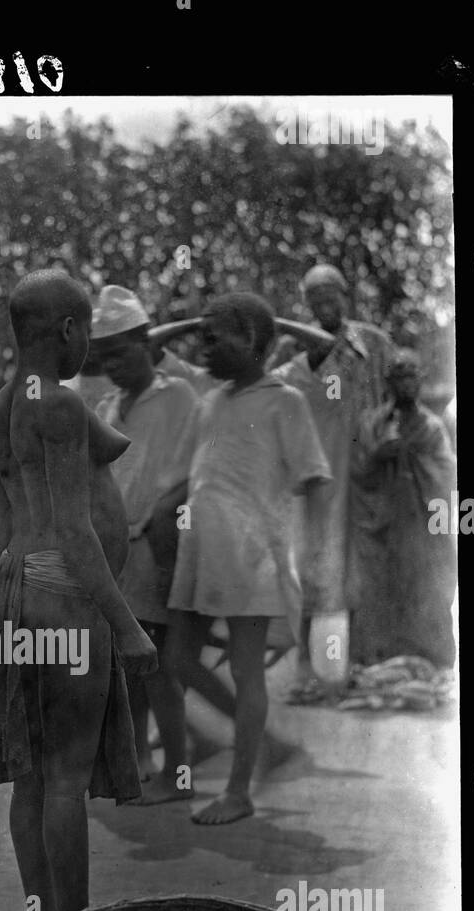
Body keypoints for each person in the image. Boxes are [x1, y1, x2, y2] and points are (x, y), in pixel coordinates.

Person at [0, 269, 157, 911]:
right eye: (86, 329)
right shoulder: (54, 406)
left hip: (14, 589)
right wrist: (126, 625)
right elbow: (76, 531)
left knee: (30, 775)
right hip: (62, 597)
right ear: (68, 331)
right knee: (62, 779)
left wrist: (22, 588)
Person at [167, 293, 332, 825]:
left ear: (255, 341)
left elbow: (315, 481)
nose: (203, 345)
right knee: (177, 659)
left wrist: (318, 556)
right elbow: (194, 479)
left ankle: (238, 791)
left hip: (254, 560)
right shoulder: (209, 401)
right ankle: (266, 741)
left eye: (216, 336)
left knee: (245, 670)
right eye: (202, 335)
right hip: (202, 556)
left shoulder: (285, 401)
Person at [92, 286, 203, 804]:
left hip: (159, 543)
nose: (113, 365)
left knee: (157, 663)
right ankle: (139, 759)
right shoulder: (107, 407)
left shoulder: (177, 394)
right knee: (128, 664)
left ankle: (177, 770)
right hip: (116, 549)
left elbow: (196, 465)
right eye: (105, 356)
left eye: (123, 351)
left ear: (146, 343)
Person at [272, 265, 391, 697]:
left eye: (332, 297)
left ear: (346, 297)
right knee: (310, 565)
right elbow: (273, 391)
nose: (325, 306)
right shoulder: (293, 347)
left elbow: (395, 392)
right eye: (315, 299)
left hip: (363, 470)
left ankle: (358, 660)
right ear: (307, 305)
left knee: (361, 565)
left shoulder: (374, 343)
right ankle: (305, 666)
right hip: (316, 476)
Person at [349, 350, 457, 668]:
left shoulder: (432, 427)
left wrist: (415, 459)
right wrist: (379, 455)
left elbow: (446, 472)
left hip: (421, 523)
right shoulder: (372, 423)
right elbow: (357, 471)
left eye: (412, 376)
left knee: (427, 586)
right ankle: (380, 659)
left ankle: (431, 660)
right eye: (399, 377)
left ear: (421, 381)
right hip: (383, 521)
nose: (406, 383)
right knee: (380, 587)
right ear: (388, 382)